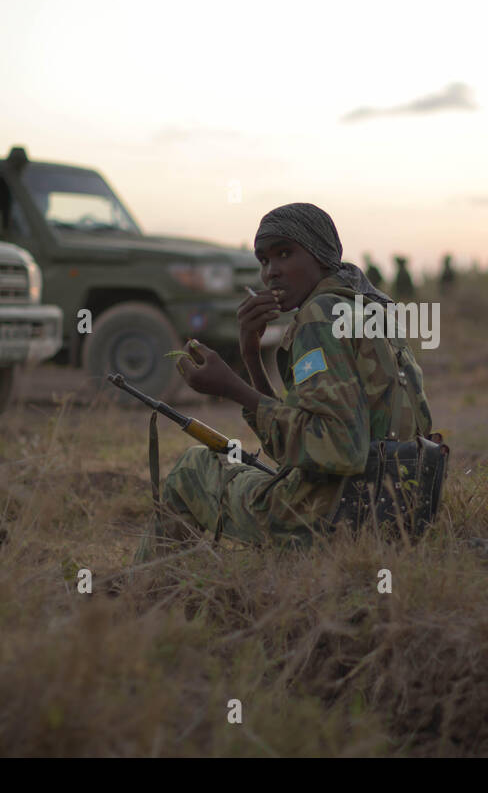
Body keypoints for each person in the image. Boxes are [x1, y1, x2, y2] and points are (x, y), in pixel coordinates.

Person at [138, 203, 434, 555]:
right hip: (398, 515)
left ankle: (143, 591)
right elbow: (299, 448)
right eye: (264, 261)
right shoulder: (370, 310)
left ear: (321, 255)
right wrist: (250, 354)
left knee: (193, 467)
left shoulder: (319, 316)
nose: (271, 273)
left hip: (334, 519)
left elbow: (339, 449)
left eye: (284, 253)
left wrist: (232, 388)